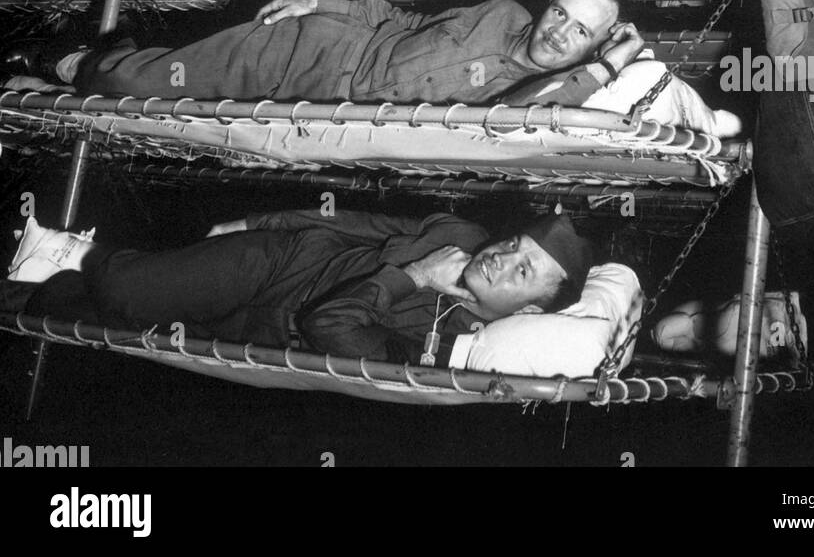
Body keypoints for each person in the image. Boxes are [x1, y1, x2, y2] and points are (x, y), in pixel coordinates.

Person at [3, 206, 593, 365]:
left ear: (532, 308)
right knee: (136, 292)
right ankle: (77, 248)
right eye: (516, 245)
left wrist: (413, 279)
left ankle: (46, 278)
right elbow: (350, 222)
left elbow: (328, 327)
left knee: (90, 316)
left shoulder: (451, 351)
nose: (503, 258)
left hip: (259, 331)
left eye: (523, 272)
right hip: (282, 261)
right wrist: (259, 222)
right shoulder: (460, 231)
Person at [3, 0, 645, 109]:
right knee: (144, 82)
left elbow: (519, 121)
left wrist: (609, 71)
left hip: (319, 98)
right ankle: (55, 57)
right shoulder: (503, 10)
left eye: (580, 31)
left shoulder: (534, 93)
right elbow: (405, 22)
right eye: (561, 12)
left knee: (161, 105)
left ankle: (62, 69)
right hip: (314, 44)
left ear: (593, 46)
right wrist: (323, 1)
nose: (558, 31)